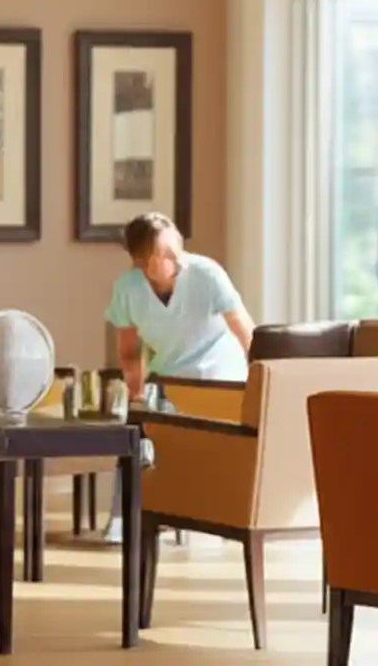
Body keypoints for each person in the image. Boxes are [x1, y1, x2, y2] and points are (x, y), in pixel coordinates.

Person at [101, 212, 255, 542]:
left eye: (177, 248)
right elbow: (129, 351)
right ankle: (124, 518)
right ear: (142, 261)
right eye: (166, 253)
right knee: (136, 433)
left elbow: (245, 332)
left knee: (207, 443)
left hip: (221, 377)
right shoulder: (127, 289)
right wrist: (137, 393)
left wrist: (257, 382)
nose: (177, 258)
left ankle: (204, 514)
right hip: (170, 379)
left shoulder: (207, 274)